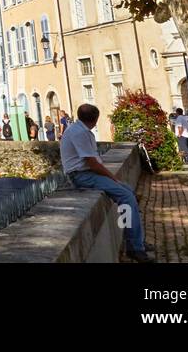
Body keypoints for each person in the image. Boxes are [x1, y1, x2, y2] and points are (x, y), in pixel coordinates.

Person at [61, 103, 152, 261]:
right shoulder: (80, 133)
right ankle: (135, 247)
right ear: (95, 119)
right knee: (126, 196)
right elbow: (92, 163)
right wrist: (112, 177)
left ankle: (136, 240)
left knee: (128, 192)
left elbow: (93, 162)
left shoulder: (78, 129)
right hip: (82, 176)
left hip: (86, 173)